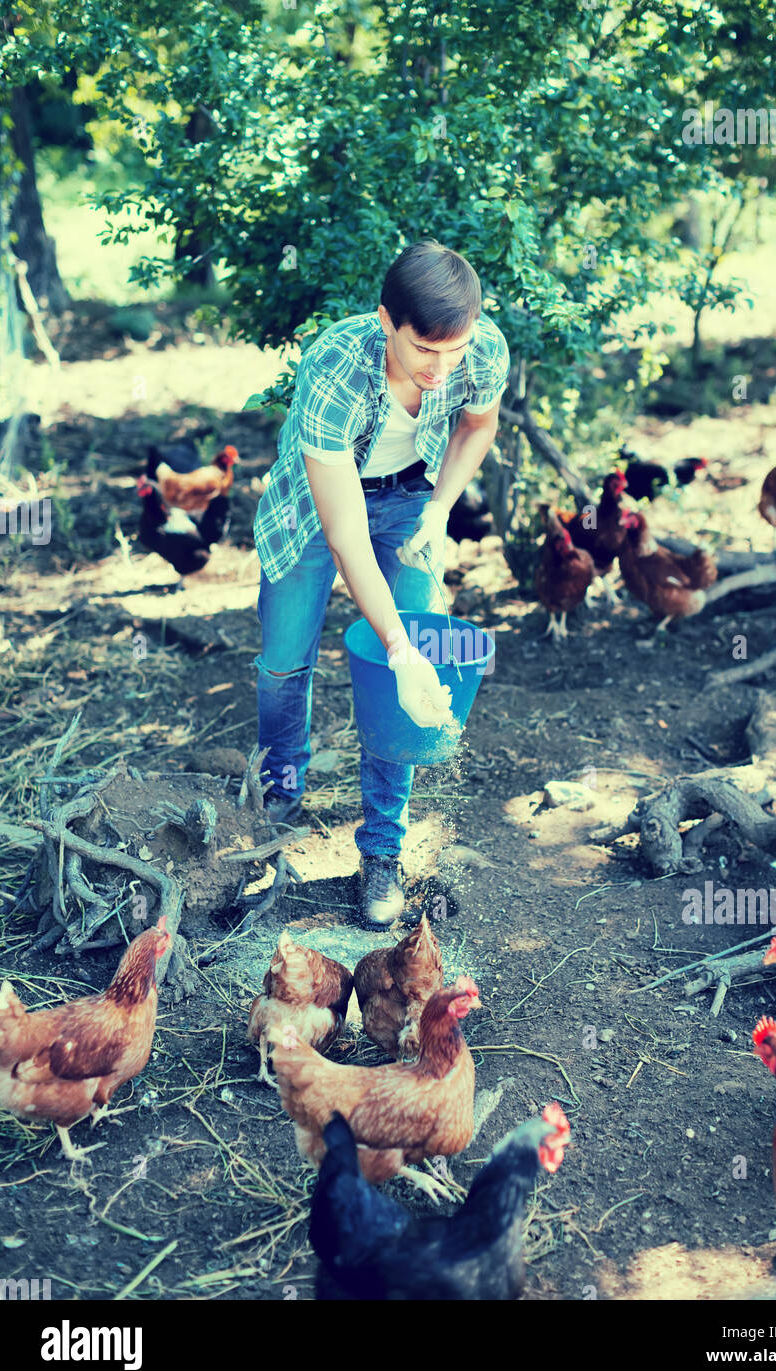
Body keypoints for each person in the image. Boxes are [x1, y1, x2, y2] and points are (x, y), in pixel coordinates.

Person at [253, 240, 509, 927]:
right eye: (426, 350)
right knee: (283, 662)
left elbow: (478, 424)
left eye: (455, 352)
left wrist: (443, 504)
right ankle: (278, 796)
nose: (441, 368)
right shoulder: (336, 366)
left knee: (410, 676)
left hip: (407, 498)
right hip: (315, 507)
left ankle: (382, 850)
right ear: (385, 322)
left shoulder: (478, 348)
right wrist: (396, 645)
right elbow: (344, 535)